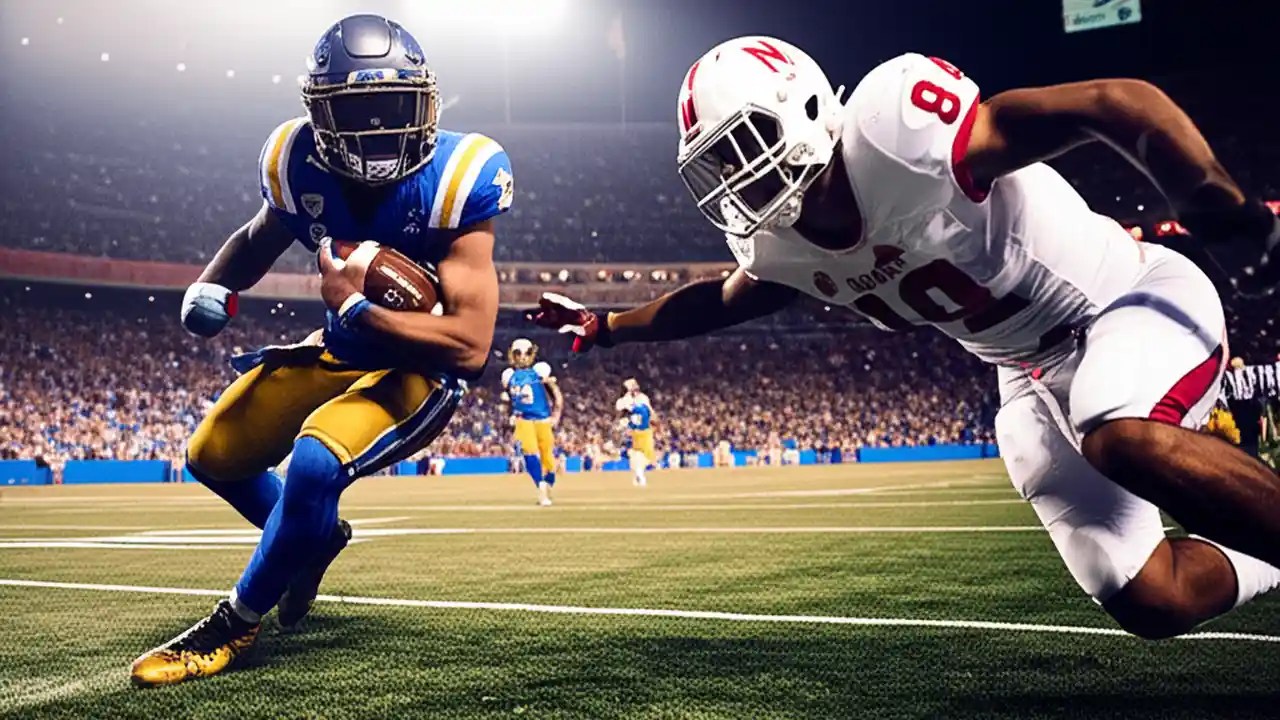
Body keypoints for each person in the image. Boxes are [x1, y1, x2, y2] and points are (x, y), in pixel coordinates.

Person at [530, 36, 1280, 639]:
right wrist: (604, 329)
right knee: (1151, 600)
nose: (738, 175)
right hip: (1025, 371)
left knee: (1119, 435)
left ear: (808, 108)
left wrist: (1220, 207)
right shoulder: (779, 247)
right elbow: (719, 304)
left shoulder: (898, 136)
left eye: (747, 141)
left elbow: (1119, 102)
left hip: (1127, 299)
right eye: (720, 162)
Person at [131, 14, 513, 686]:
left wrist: (358, 307)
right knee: (213, 454)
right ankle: (315, 537)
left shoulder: (462, 173)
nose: (377, 129)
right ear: (319, 113)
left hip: (420, 369)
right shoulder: (294, 158)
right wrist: (213, 282)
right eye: (357, 111)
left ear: (425, 102)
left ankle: (234, 623)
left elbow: (470, 346)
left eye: (394, 105)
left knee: (314, 461)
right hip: (340, 348)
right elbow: (258, 237)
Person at [501, 338, 563, 506]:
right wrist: (510, 413)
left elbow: (556, 394)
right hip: (524, 419)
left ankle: (547, 483)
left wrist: (556, 415)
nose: (522, 357)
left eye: (526, 353)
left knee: (548, 459)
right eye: (518, 353)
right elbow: (511, 399)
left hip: (542, 419)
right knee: (529, 452)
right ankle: (541, 486)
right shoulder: (508, 375)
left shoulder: (539, 371)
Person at [615, 378, 656, 486]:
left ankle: (639, 477)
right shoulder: (627, 399)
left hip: (642, 431)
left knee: (641, 456)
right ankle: (639, 477)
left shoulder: (642, 398)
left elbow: (648, 413)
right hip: (635, 432)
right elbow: (619, 407)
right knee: (635, 456)